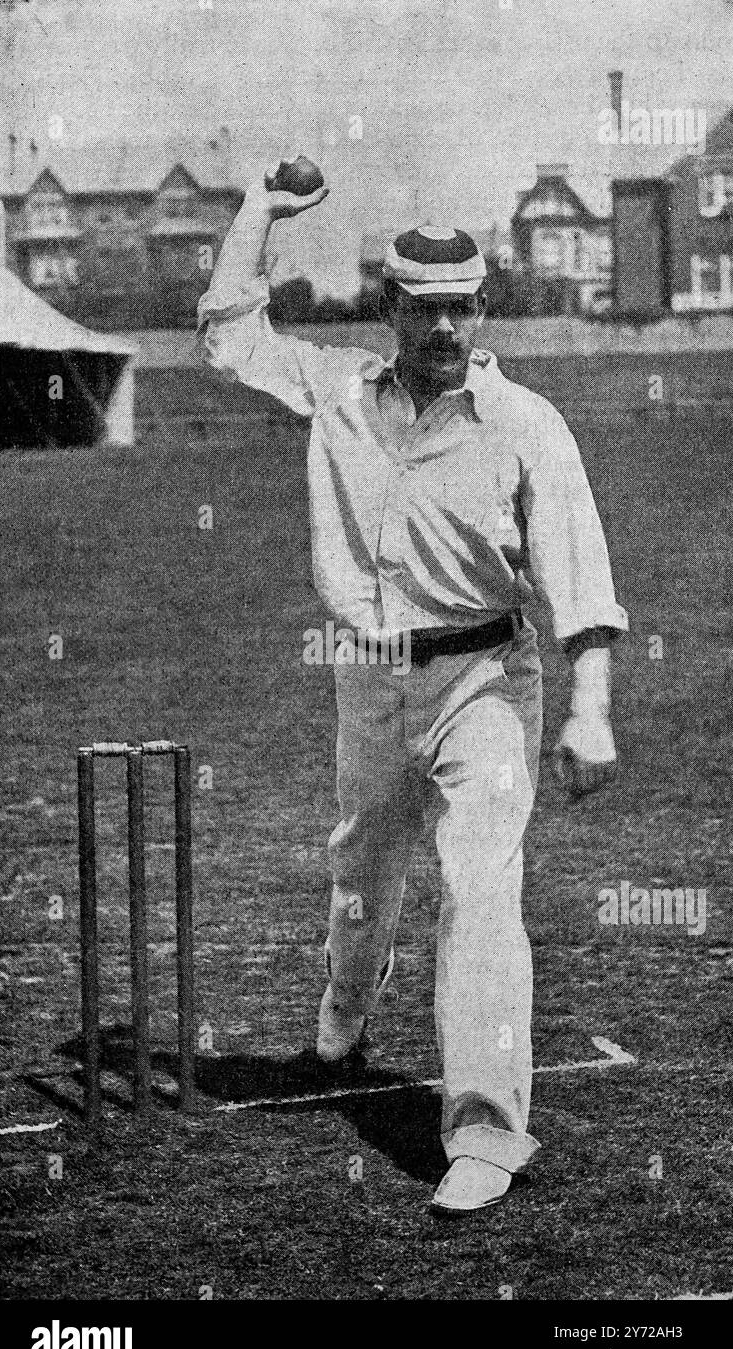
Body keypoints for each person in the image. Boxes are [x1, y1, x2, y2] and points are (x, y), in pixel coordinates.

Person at [197, 165, 628, 1216]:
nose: (444, 326)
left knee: (479, 892)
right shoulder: (336, 388)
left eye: (462, 306)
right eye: (424, 307)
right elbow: (224, 331)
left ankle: (486, 1130)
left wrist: (588, 706)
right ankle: (345, 1009)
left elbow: (580, 575)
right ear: (388, 308)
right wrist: (261, 210)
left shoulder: (524, 422)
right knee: (360, 866)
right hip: (368, 676)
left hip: (486, 676)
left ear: (481, 308)